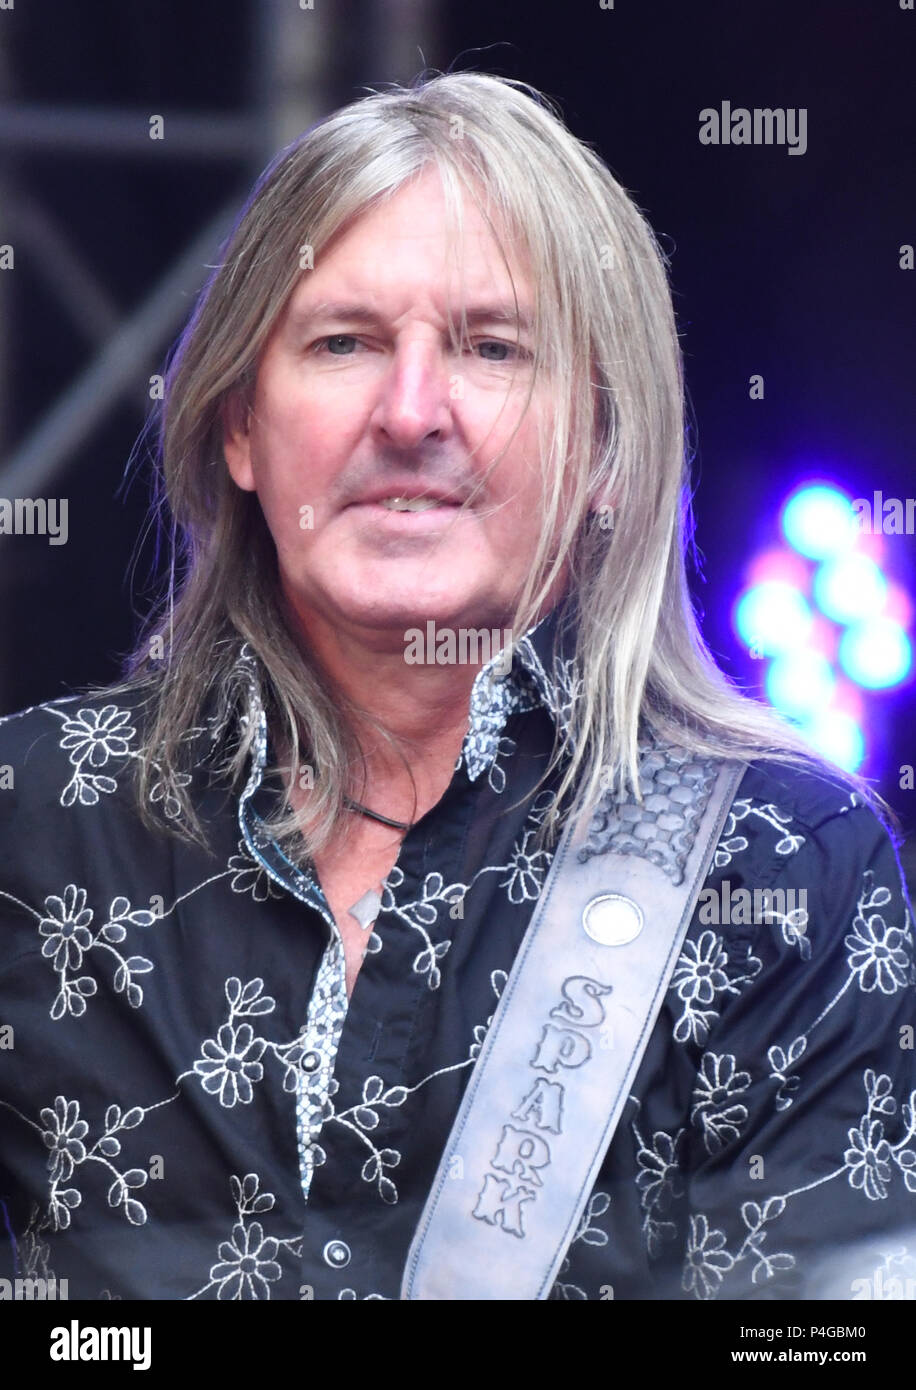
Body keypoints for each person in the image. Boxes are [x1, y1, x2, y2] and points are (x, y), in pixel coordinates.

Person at [0, 70, 913, 1303]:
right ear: (238, 429)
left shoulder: (782, 863)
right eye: (343, 342)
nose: (412, 410)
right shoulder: (33, 822)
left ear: (603, 445)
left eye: (491, 346)